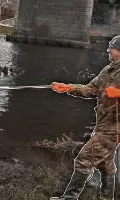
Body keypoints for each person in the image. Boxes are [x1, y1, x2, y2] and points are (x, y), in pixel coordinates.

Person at [50, 35, 120, 200]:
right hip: (103, 125)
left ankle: (69, 198)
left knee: (84, 159)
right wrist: (68, 88)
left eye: (113, 47)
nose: (108, 50)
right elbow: (91, 89)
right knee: (105, 164)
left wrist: (119, 93)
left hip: (114, 128)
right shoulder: (108, 70)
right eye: (110, 46)